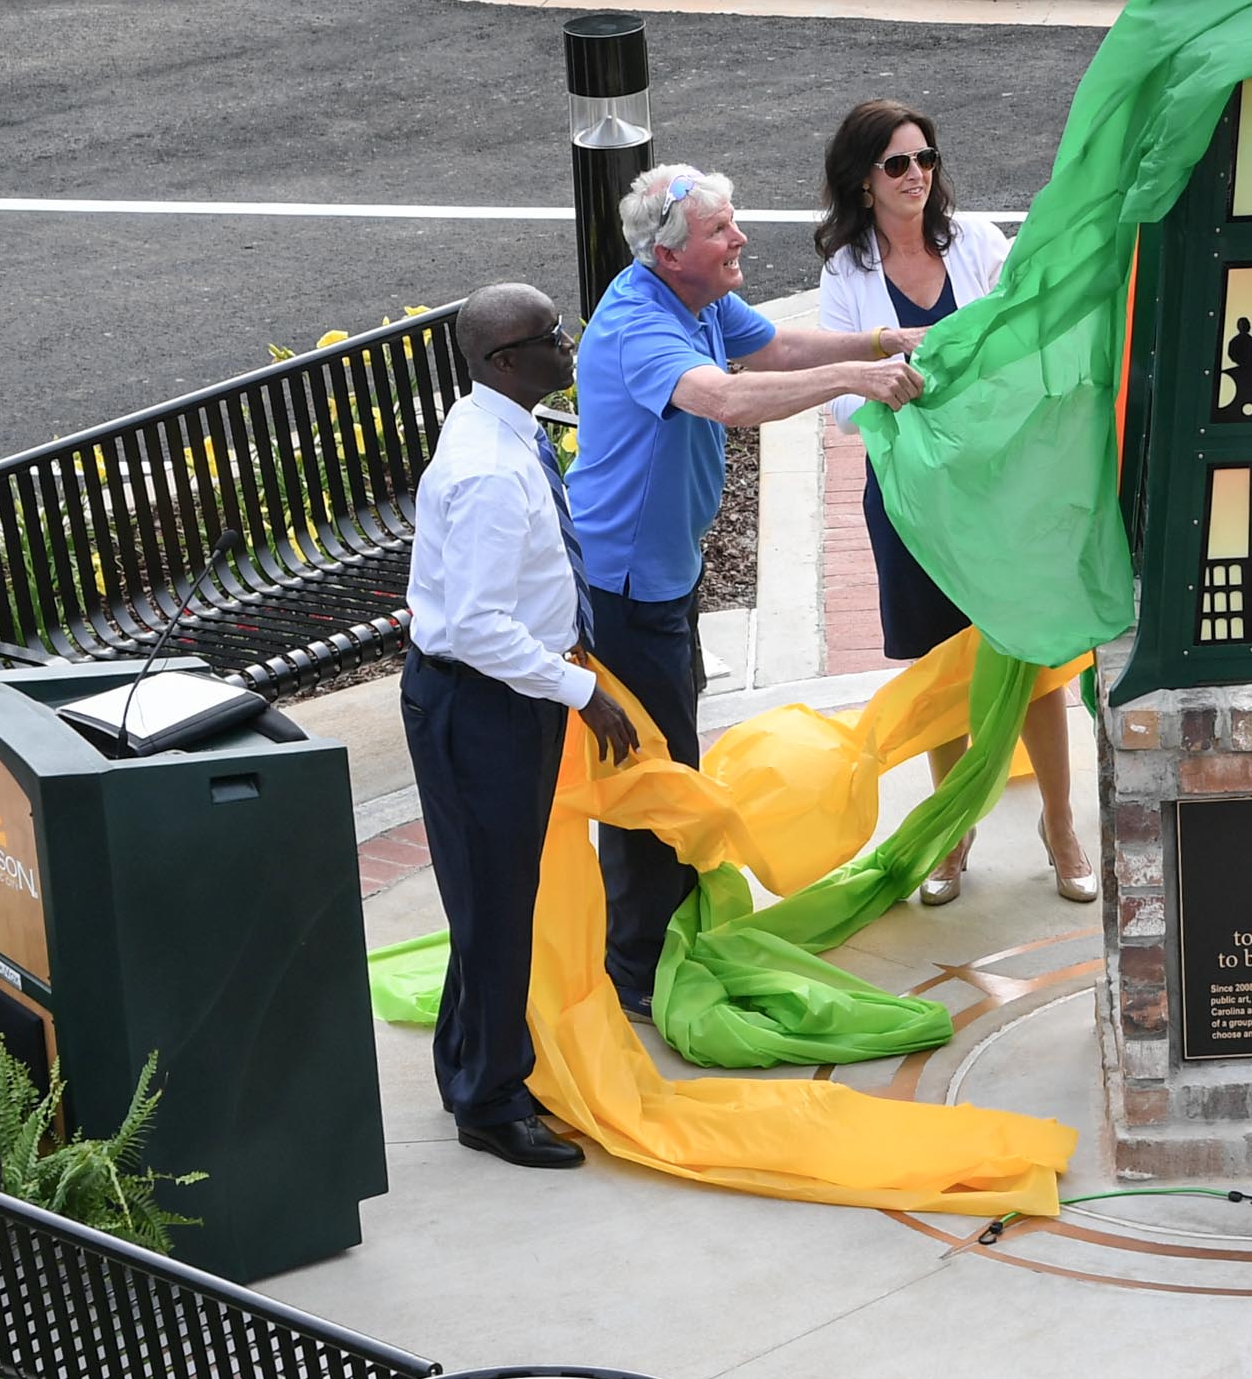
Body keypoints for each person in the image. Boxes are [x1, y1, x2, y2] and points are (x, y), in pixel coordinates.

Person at [570, 165, 925, 1017]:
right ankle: (637, 968)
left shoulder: (697, 300)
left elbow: (774, 348)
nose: (741, 241)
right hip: (623, 589)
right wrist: (853, 382)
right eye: (722, 230)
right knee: (651, 776)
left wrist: (879, 343)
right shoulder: (636, 324)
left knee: (669, 760)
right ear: (670, 251)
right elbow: (725, 398)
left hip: (665, 577)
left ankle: (664, 938)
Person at [813, 100, 1095, 907]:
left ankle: (1062, 824)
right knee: (944, 671)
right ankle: (951, 829)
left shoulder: (976, 244)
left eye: (926, 159)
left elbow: (1021, 337)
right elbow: (839, 403)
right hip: (910, 503)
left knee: (1029, 656)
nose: (917, 176)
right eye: (898, 164)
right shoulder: (846, 273)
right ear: (864, 180)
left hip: (998, 491)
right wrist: (881, 380)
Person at [402, 282, 641, 1170]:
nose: (568, 345)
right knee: (497, 907)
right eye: (553, 336)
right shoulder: (491, 472)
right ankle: (491, 1102)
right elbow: (473, 626)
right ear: (507, 360)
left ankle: (471, 1063)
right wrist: (582, 692)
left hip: (502, 695)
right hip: (482, 704)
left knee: (494, 897)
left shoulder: (504, 428)